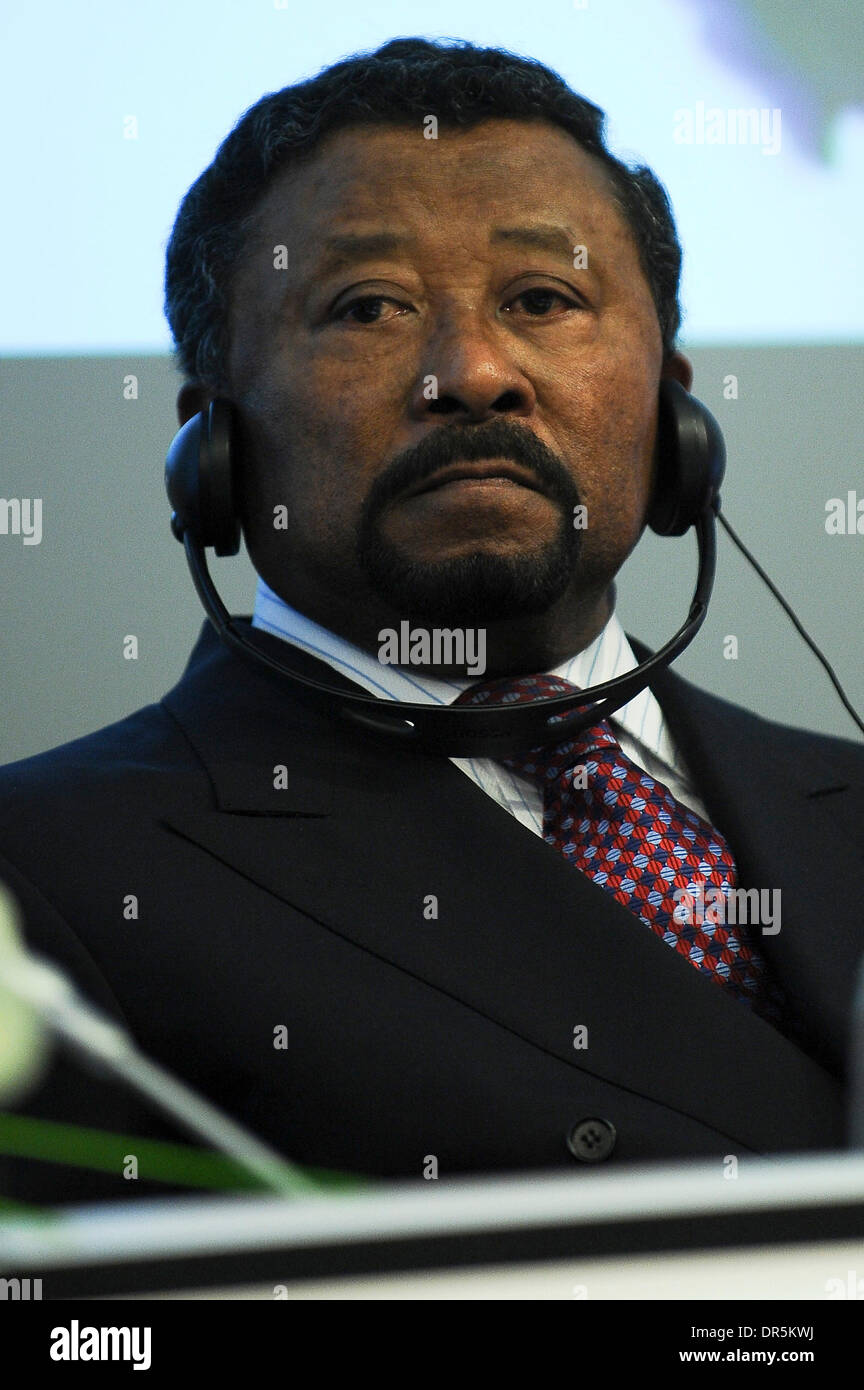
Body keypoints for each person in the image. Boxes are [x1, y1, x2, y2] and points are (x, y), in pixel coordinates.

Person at [2, 38, 862, 1204]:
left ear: (674, 413)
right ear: (212, 449)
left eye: (544, 299)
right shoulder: (46, 871)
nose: (470, 371)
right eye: (369, 308)